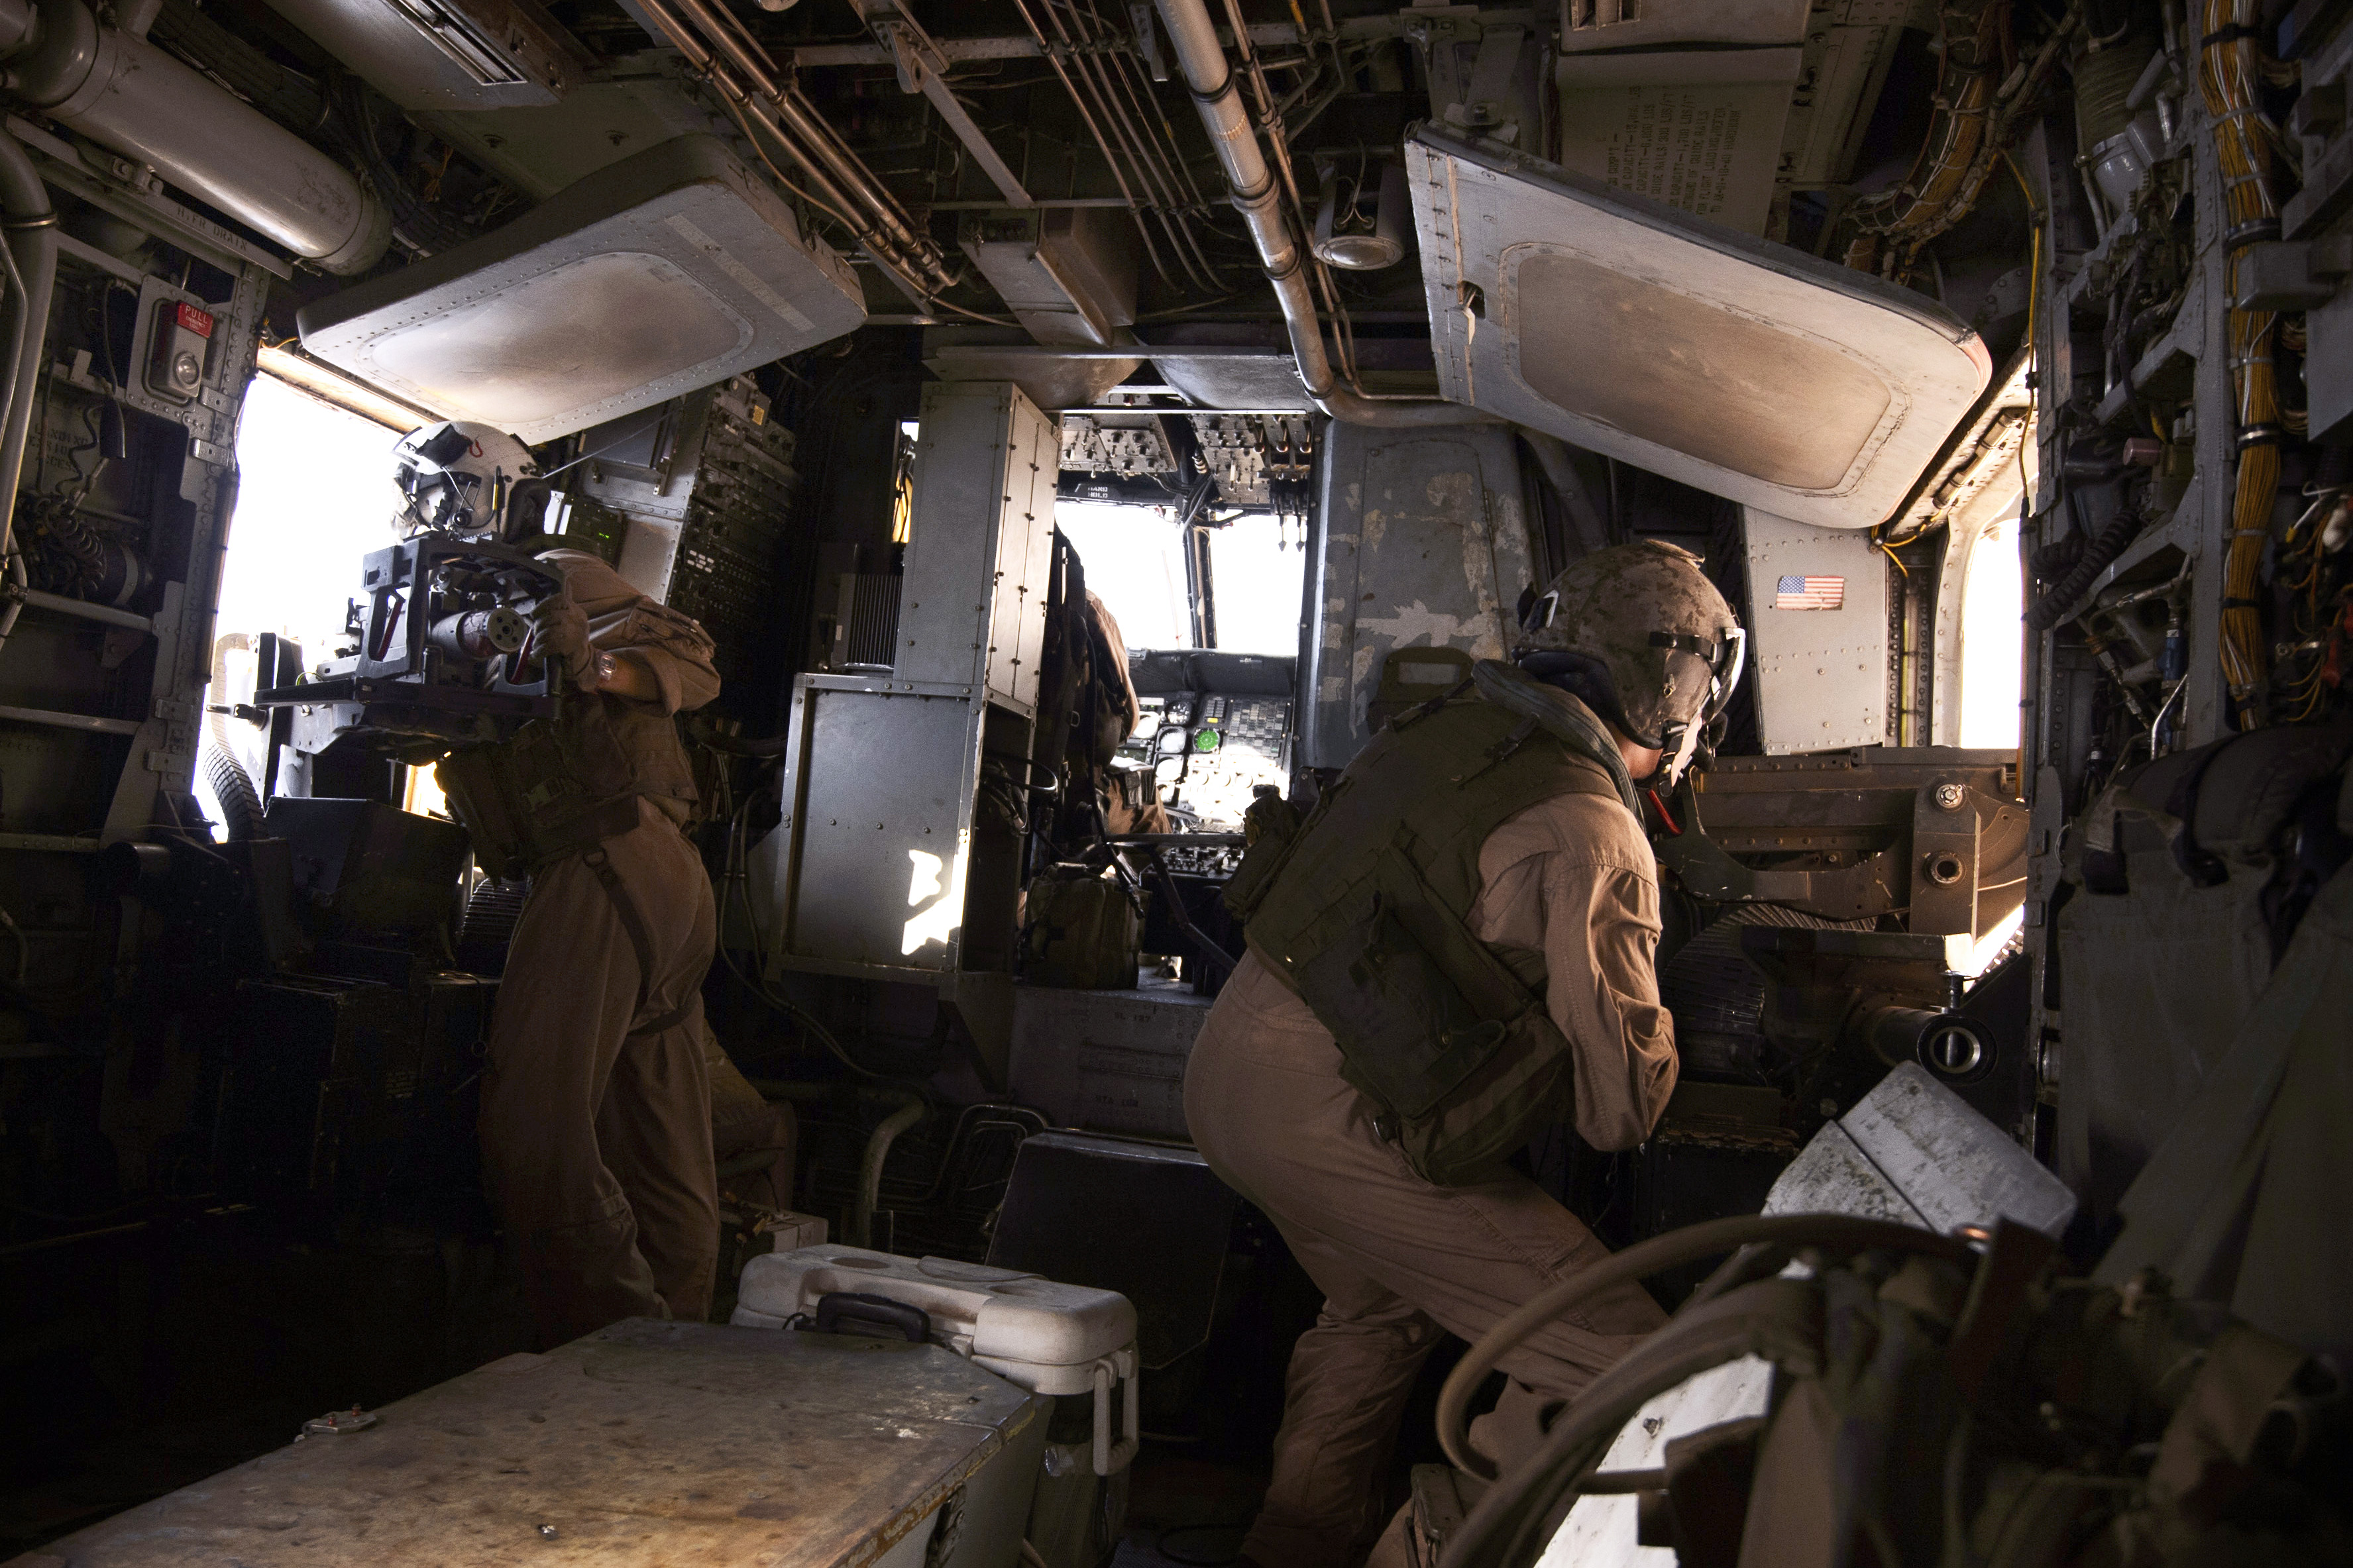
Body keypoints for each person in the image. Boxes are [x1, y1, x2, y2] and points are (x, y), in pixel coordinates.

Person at [1185, 540, 1746, 1568]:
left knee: (1379, 1309)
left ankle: (1297, 1545)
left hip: (1226, 1078)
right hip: (1332, 1119)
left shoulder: (1445, 734)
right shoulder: (1594, 833)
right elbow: (1618, 1115)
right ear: (1679, 693)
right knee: (1624, 1360)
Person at [389, 421, 727, 1349]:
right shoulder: (438, 595)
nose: (425, 508)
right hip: (643, 877)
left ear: (483, 491)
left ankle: (609, 1345)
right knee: (656, 1132)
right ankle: (681, 1345)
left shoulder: (555, 574)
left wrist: (596, 662)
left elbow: (694, 664)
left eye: (438, 489)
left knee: (535, 1129)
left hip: (611, 862)